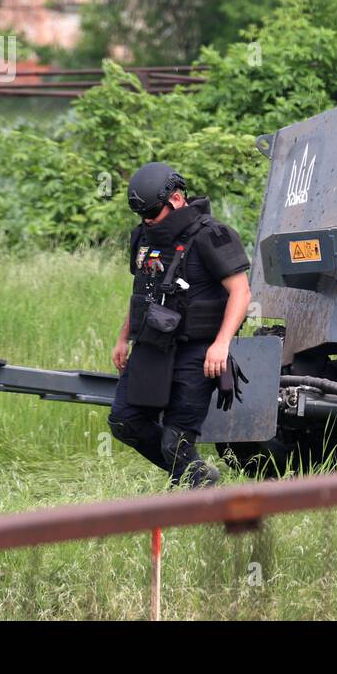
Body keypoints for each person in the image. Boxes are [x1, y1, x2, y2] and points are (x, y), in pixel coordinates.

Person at [108, 162, 251, 487]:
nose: (146, 221)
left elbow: (241, 292)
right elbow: (145, 290)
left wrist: (222, 343)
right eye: (141, 215)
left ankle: (196, 490)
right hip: (152, 346)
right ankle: (195, 475)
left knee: (176, 442)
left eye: (152, 212)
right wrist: (123, 338)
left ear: (175, 199)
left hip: (197, 352)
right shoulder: (143, 237)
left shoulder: (211, 235)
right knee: (124, 421)